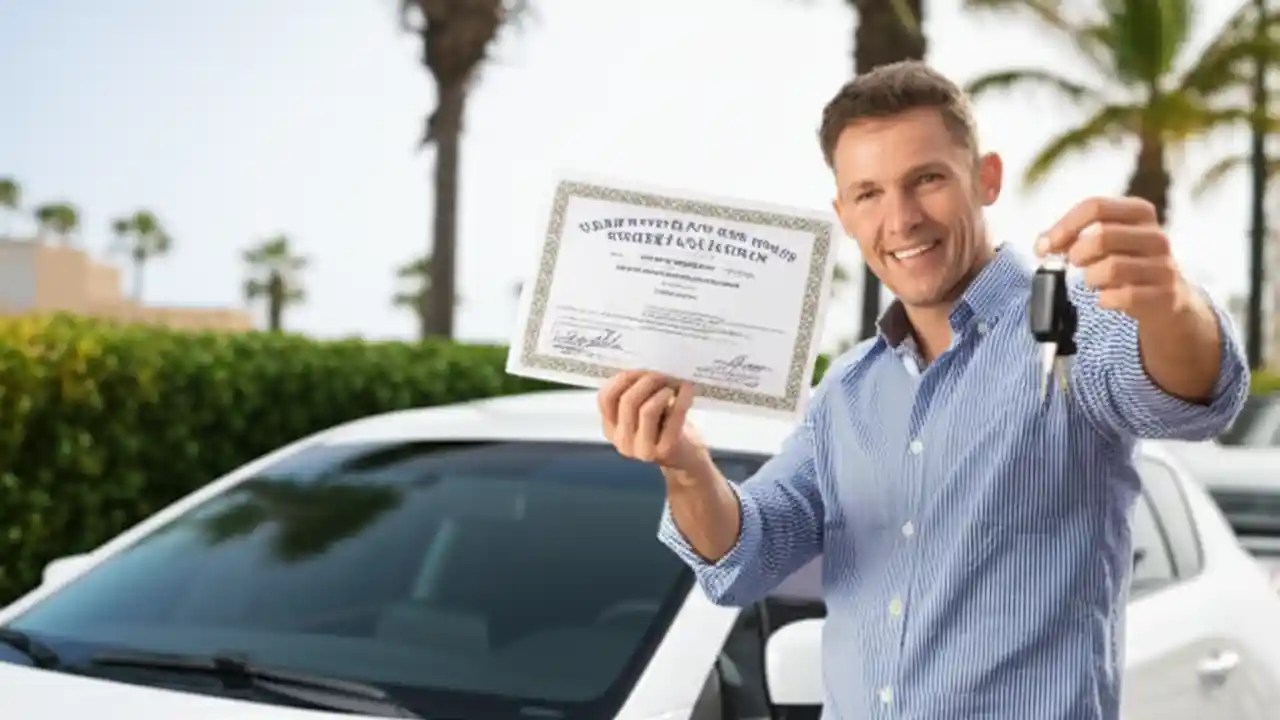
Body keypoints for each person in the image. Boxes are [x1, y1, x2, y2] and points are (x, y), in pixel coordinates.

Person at [595, 60, 1251, 719]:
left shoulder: (1074, 327)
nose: (901, 218)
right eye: (869, 193)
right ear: (843, 214)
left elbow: (1194, 397)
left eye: (927, 179)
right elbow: (746, 557)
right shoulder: (846, 393)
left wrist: (1170, 304)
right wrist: (684, 466)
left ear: (985, 179)